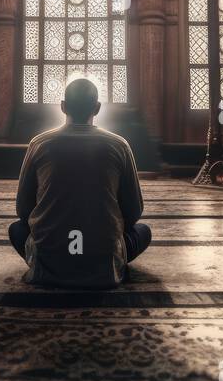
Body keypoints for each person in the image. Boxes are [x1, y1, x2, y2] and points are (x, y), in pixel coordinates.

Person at [9, 78, 151, 288]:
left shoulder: (39, 144)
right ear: (97, 108)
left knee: (16, 229)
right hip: (103, 260)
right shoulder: (119, 145)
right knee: (143, 231)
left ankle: (51, 262)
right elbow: (134, 211)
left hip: (49, 258)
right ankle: (102, 259)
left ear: (63, 106)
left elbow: (22, 210)